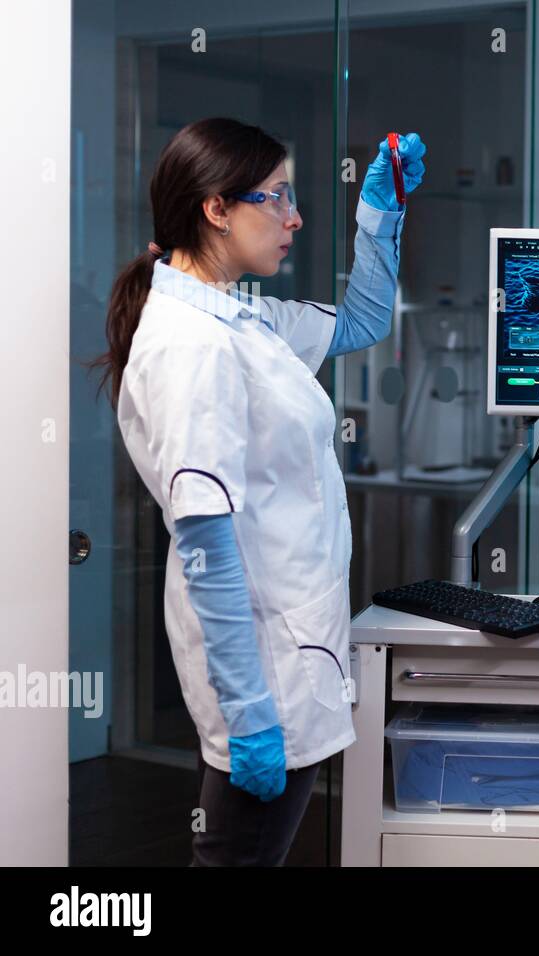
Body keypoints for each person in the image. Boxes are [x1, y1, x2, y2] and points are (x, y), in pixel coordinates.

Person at [95, 117, 426, 865]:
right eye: (276, 198)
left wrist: (381, 214)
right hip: (263, 671)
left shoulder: (241, 316)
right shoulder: (193, 342)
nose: (294, 216)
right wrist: (248, 713)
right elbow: (206, 536)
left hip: (286, 653)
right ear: (215, 208)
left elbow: (365, 320)